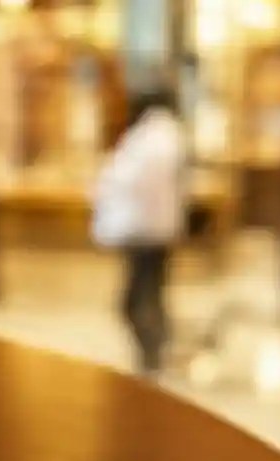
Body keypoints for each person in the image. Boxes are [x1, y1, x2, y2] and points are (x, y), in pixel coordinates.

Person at [93, 90, 187, 373]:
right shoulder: (165, 137)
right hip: (154, 228)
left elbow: (134, 181)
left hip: (145, 230)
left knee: (138, 298)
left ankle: (152, 357)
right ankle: (154, 353)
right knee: (150, 293)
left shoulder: (155, 140)